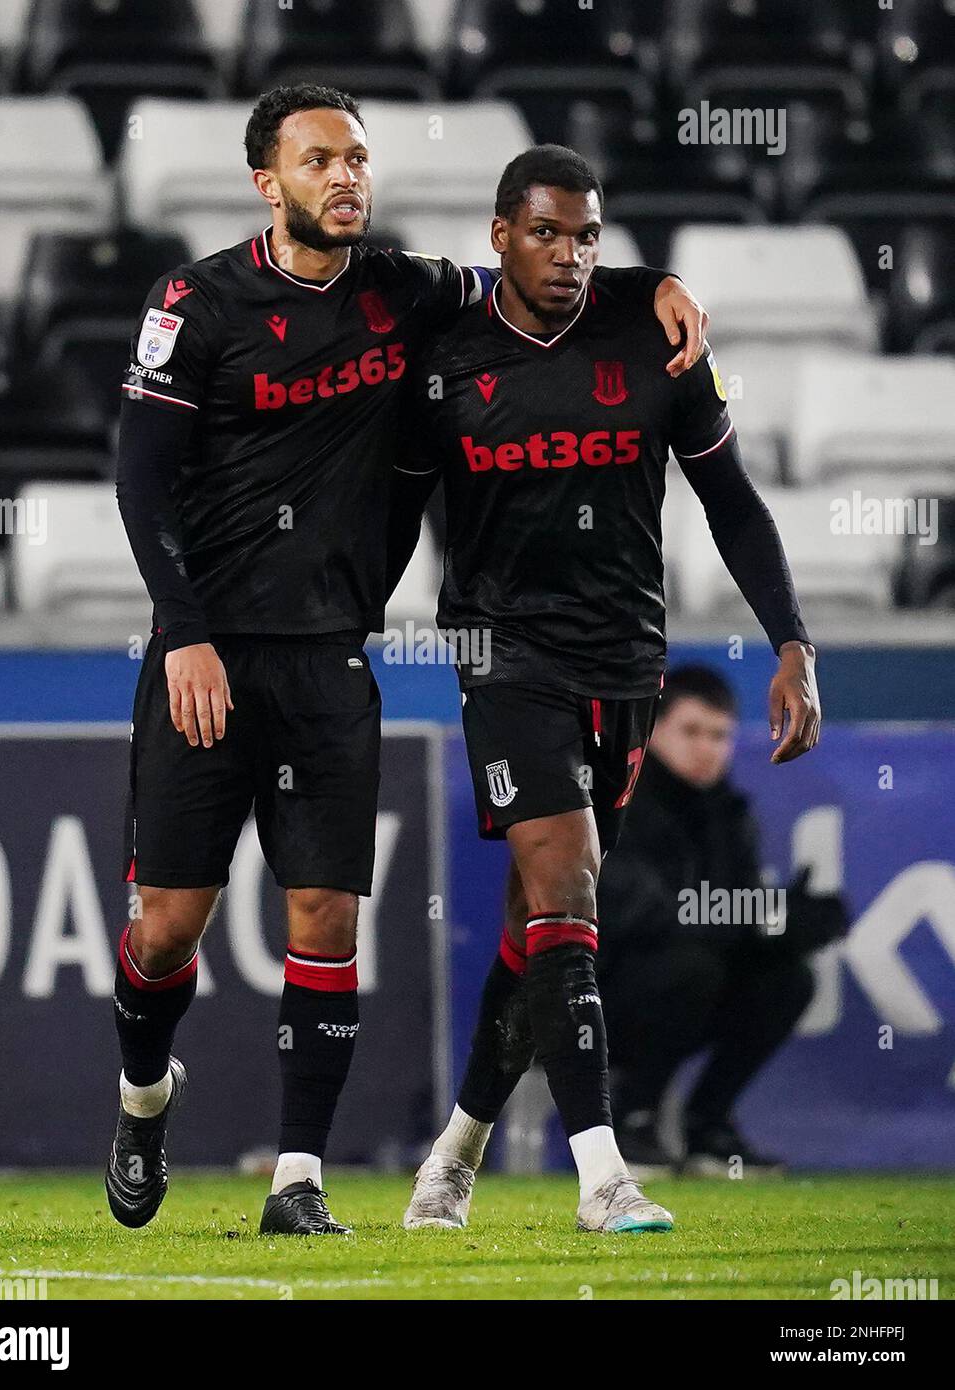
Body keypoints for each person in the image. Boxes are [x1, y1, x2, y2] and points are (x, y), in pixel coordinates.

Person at [108, 89, 707, 1237]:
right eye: (317, 160)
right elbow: (139, 477)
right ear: (265, 183)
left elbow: (541, 272)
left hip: (331, 658)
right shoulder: (196, 304)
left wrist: (649, 286)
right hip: (207, 656)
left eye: (357, 158)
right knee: (167, 929)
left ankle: (296, 1179)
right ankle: (143, 1094)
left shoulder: (405, 290)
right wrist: (181, 631)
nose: (345, 177)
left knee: (325, 914)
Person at [387, 144, 821, 1235]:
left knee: (536, 919)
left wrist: (790, 641)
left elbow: (730, 499)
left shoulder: (655, 340)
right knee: (565, 881)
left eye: (586, 236)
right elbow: (390, 512)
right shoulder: (443, 356)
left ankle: (452, 1155)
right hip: (502, 654)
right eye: (544, 232)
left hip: (625, 660)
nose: (569, 255)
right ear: (499, 236)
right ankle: (602, 1176)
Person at [597, 666, 848, 1177]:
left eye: (720, 736)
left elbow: (730, 916)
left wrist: (789, 922)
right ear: (652, 731)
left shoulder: (728, 813)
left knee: (787, 979)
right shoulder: (615, 803)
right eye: (691, 731)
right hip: (600, 999)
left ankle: (708, 1125)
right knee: (692, 966)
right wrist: (763, 917)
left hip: (688, 995)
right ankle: (631, 1116)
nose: (706, 749)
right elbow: (645, 914)